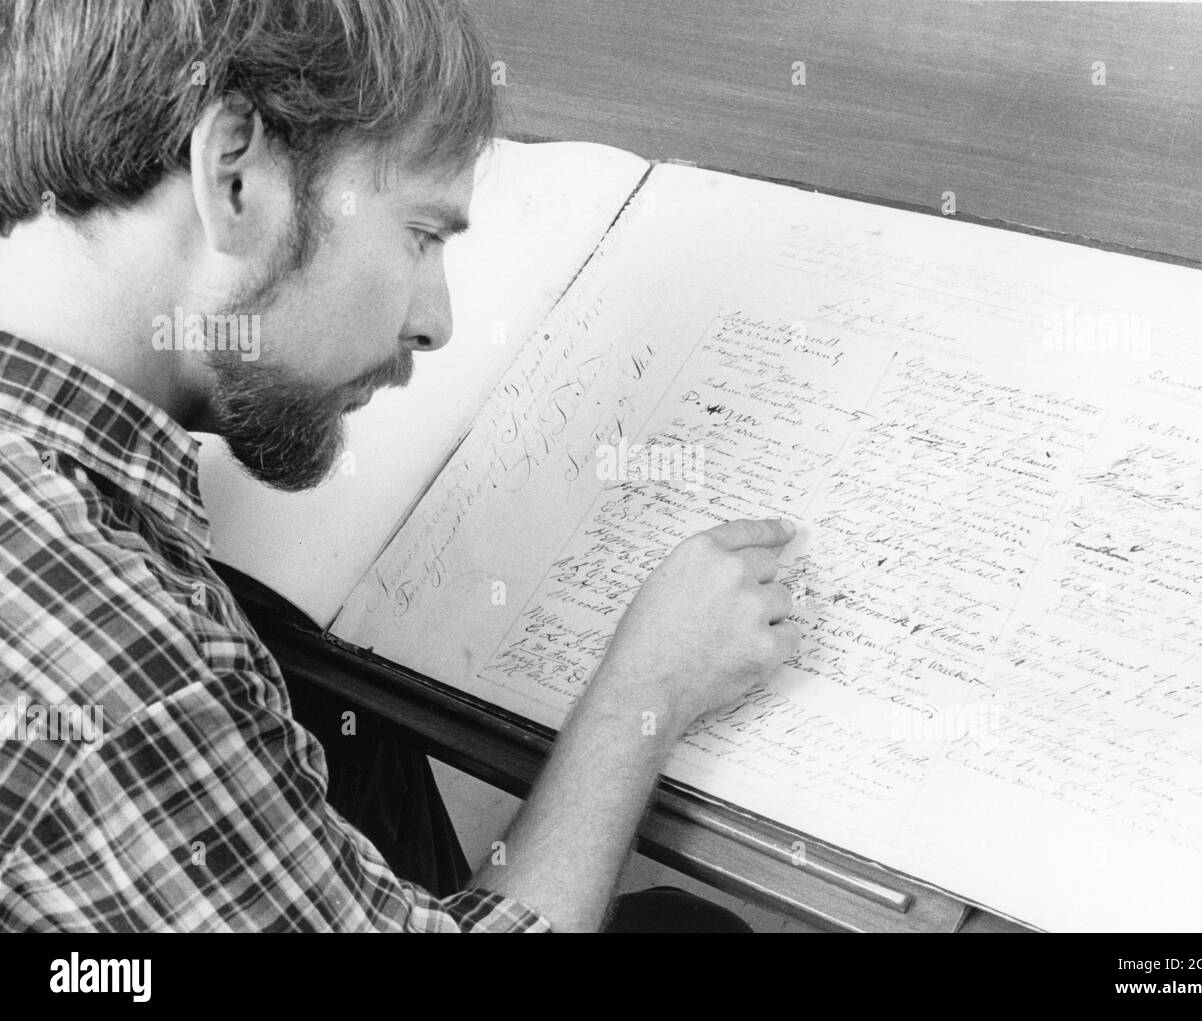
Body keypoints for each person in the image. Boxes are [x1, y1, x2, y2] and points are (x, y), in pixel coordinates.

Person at [0, 0, 799, 932]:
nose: (436, 322)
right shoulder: (120, 669)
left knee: (357, 736)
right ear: (234, 177)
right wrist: (645, 694)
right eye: (421, 234)